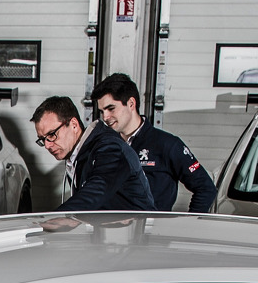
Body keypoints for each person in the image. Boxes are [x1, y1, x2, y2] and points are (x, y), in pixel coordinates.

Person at [92, 73, 216, 212]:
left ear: (131, 104)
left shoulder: (167, 145)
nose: (105, 117)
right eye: (102, 111)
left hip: (151, 231)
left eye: (111, 108)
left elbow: (206, 189)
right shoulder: (103, 146)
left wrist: (189, 225)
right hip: (108, 231)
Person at [30, 96, 153, 212]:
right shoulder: (77, 155)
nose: (47, 145)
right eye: (42, 139)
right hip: (113, 231)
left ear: (74, 125)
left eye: (51, 134)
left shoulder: (109, 147)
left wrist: (59, 218)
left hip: (137, 232)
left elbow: (98, 188)